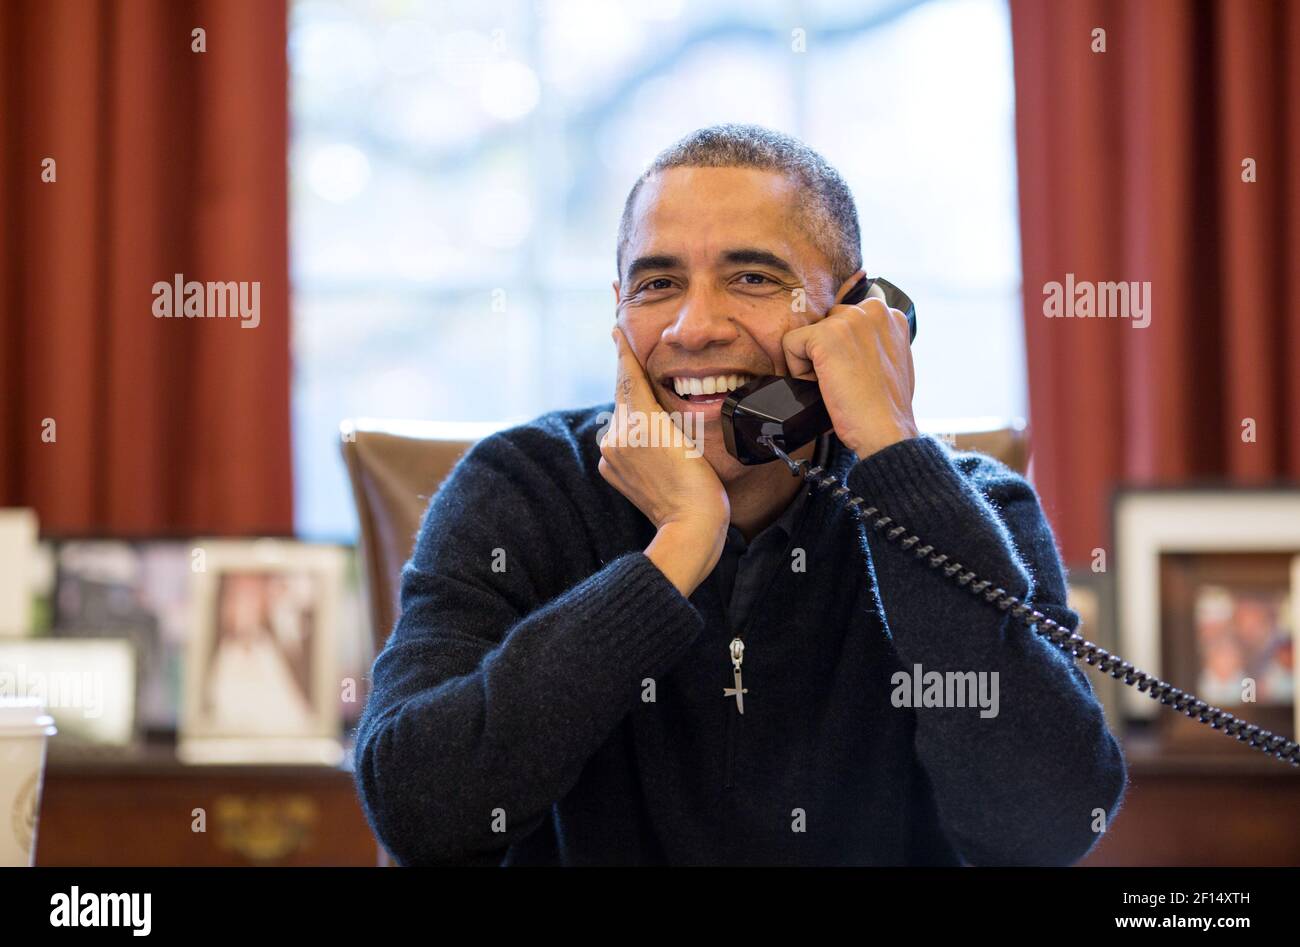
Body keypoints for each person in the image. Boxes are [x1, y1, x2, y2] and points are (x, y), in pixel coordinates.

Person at [352, 123, 1127, 865]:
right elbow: (423, 813)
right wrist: (679, 548)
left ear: (854, 314)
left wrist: (894, 458)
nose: (694, 327)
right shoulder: (519, 490)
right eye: (658, 284)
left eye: (752, 278)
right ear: (618, 310)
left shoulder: (963, 508)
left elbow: (1047, 826)